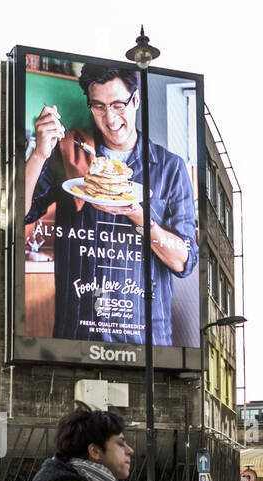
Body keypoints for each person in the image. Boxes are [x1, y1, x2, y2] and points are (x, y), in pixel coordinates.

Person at [24, 62, 198, 345]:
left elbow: (184, 261)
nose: (110, 118)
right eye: (99, 106)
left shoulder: (171, 168)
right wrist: (40, 154)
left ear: (136, 100)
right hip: (77, 338)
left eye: (118, 105)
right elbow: (21, 213)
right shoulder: (69, 153)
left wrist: (139, 215)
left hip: (146, 341)